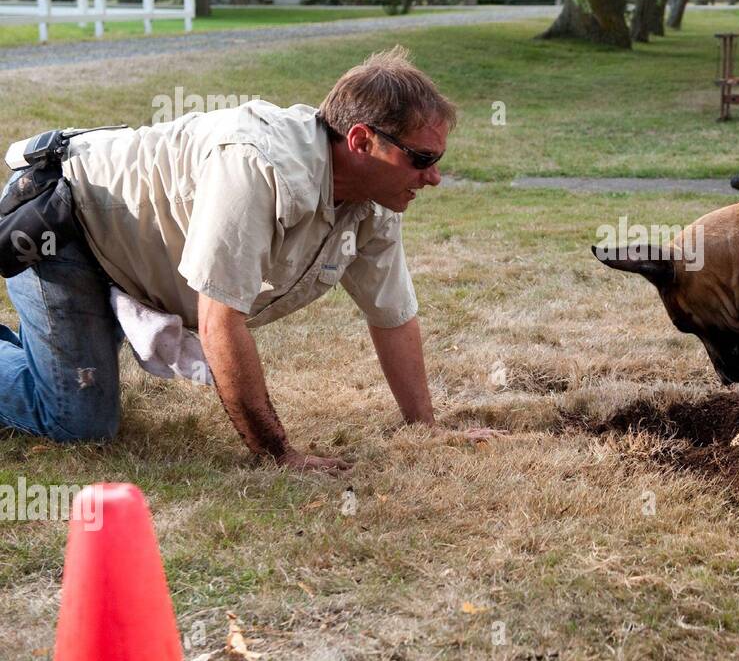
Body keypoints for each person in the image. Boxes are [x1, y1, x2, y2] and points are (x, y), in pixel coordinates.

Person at [0, 46, 467, 470]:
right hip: (65, 222)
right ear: (362, 141)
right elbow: (219, 322)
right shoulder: (256, 165)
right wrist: (279, 453)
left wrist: (424, 427)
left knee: (75, 381)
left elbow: (392, 315)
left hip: (126, 252)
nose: (435, 178)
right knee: (77, 420)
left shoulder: (374, 198)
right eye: (422, 159)